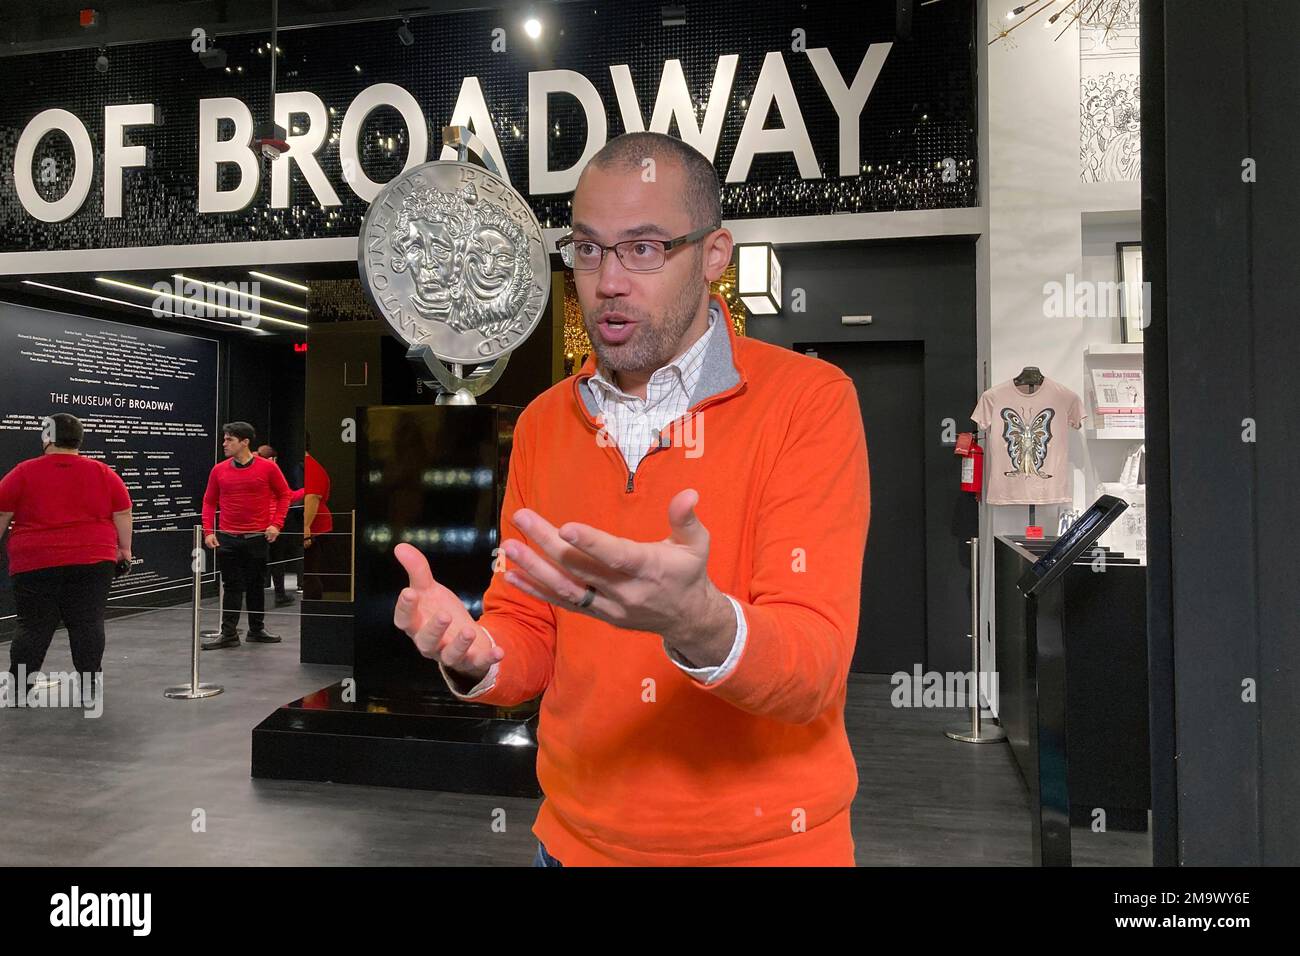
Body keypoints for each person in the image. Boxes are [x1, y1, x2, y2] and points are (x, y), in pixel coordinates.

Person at [392, 131, 871, 866]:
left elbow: (813, 666)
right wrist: (476, 651)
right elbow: (530, 628)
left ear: (714, 255)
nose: (607, 280)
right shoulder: (546, 422)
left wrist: (700, 623)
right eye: (587, 249)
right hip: (571, 846)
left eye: (644, 248)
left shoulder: (810, 402)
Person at [0, 413, 132, 701]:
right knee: (88, 622)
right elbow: (122, 511)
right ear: (79, 439)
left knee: (33, 626)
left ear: (47, 437)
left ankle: (20, 691)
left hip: (35, 561)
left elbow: (2, 513)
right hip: (93, 559)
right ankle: (88, 688)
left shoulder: (23, 472)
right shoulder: (102, 472)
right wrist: (125, 550)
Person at [201, 422, 290, 649]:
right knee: (231, 586)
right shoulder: (218, 470)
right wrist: (208, 531)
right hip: (228, 537)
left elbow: (284, 495)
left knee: (255, 585)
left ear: (245, 442)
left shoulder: (268, 468)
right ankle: (229, 633)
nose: (224, 443)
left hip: (256, 537)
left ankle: (256, 629)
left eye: (229, 439)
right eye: (225, 439)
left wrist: (276, 524)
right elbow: (209, 501)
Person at [292, 437, 335, 601]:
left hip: (317, 528)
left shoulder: (311, 467)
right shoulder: (308, 466)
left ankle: (313, 608)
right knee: (310, 571)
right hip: (314, 526)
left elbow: (313, 497)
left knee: (311, 572)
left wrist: (306, 528)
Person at [256, 444, 296, 607]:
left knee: (259, 559)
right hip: (273, 523)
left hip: (256, 522)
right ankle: (279, 593)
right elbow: (287, 495)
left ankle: (256, 594)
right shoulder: (271, 471)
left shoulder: (251, 469)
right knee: (277, 559)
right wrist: (307, 491)